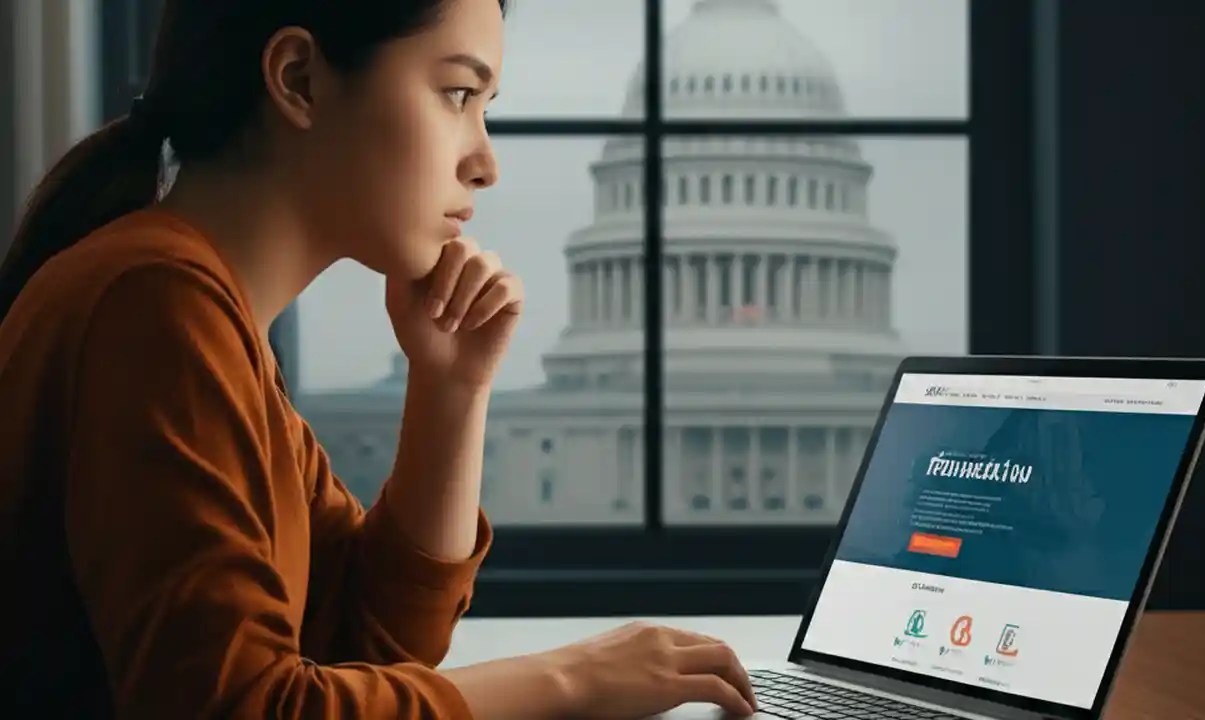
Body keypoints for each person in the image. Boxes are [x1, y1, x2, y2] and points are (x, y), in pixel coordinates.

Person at [0, 1, 759, 717]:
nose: (485, 163)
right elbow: (247, 708)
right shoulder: (156, 303)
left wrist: (450, 389)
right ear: (298, 80)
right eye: (458, 94)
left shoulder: (202, 316)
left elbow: (371, 650)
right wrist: (572, 678)